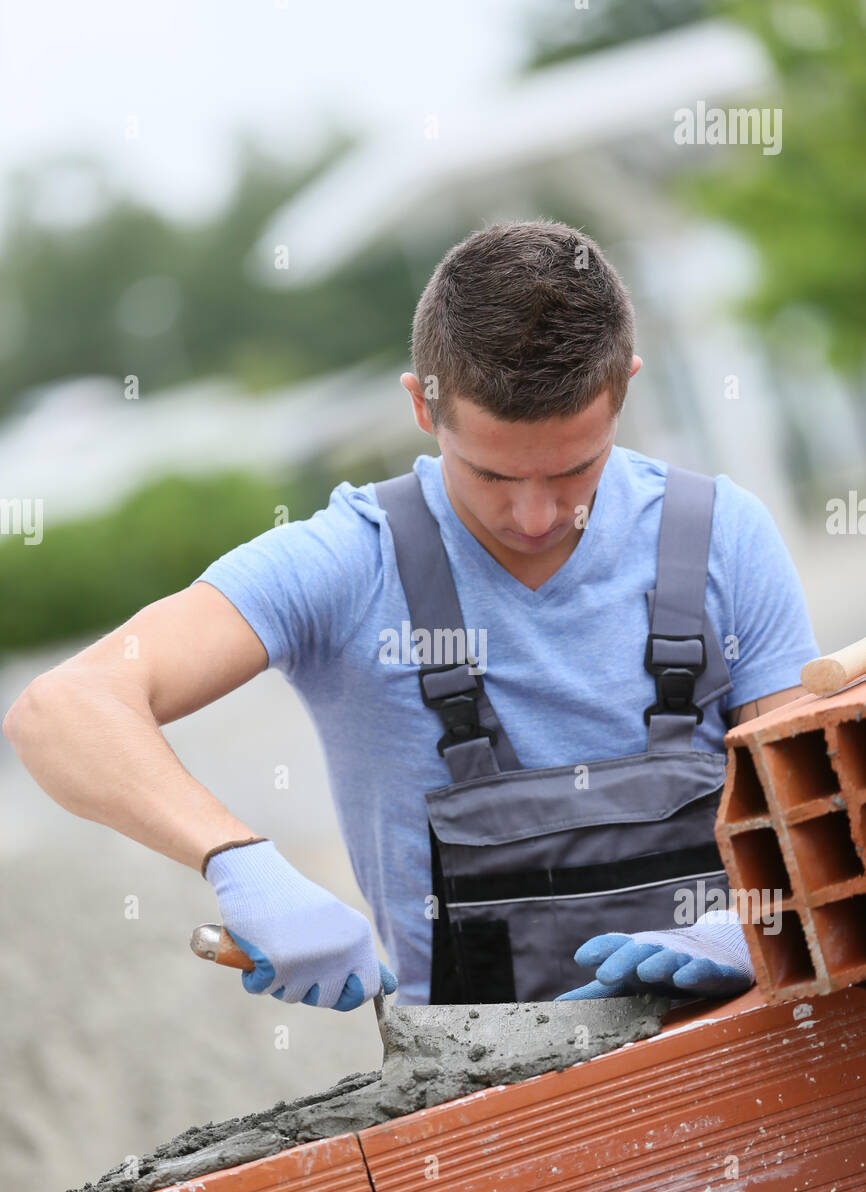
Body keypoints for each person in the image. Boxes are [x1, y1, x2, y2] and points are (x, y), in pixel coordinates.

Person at [3, 219, 819, 1011]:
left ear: (624, 389)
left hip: (755, 1040)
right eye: (493, 474)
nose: (535, 517)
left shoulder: (720, 535)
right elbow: (60, 711)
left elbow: (811, 803)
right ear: (422, 409)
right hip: (480, 1104)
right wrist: (238, 862)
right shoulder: (347, 563)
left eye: (574, 469)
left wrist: (757, 926)